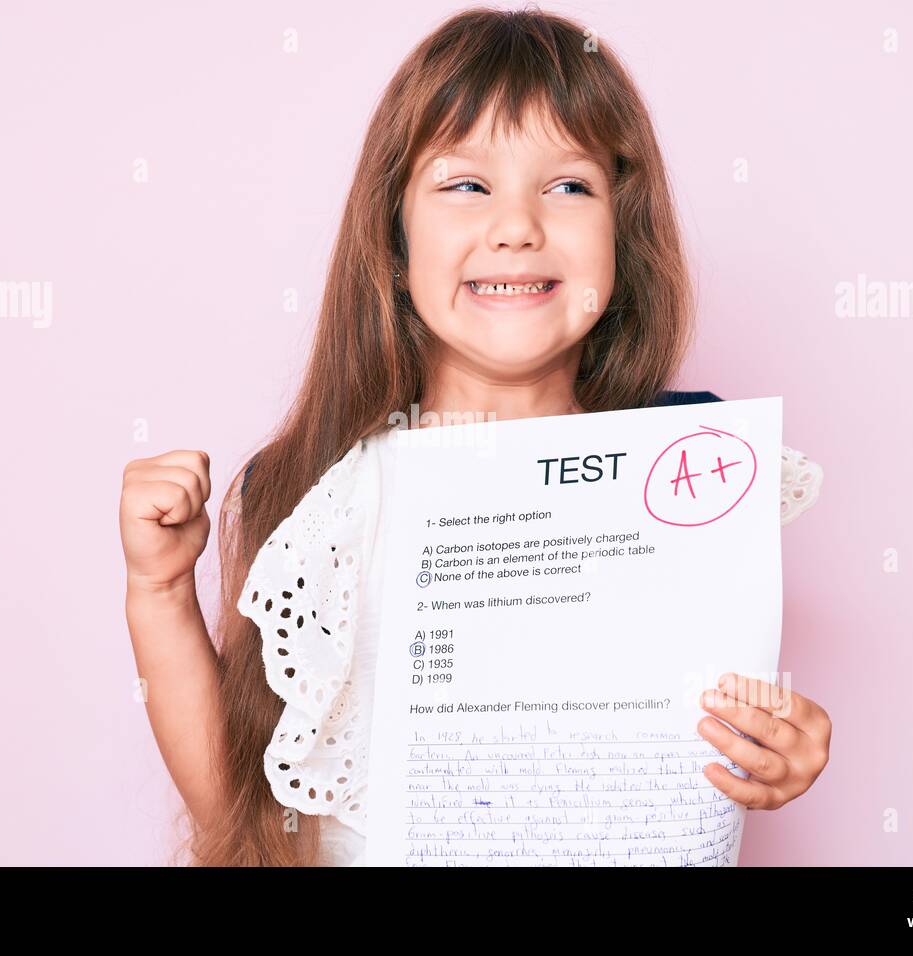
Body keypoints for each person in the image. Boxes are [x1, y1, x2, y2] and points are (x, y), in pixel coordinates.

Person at [118, 7, 830, 867]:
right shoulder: (320, 490)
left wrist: (778, 746)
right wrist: (159, 592)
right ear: (395, 230)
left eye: (569, 186)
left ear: (623, 231)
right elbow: (245, 807)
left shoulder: (691, 469)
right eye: (467, 185)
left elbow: (718, 723)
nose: (518, 226)